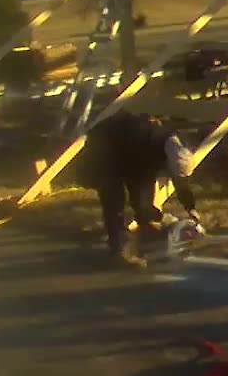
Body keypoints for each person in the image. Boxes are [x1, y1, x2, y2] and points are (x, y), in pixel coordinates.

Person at [72, 110, 200, 268]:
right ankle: (118, 251)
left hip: (131, 151)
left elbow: (178, 178)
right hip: (105, 148)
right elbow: (138, 176)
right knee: (114, 199)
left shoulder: (177, 146)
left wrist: (190, 207)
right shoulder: (150, 148)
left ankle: (147, 241)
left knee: (143, 203)